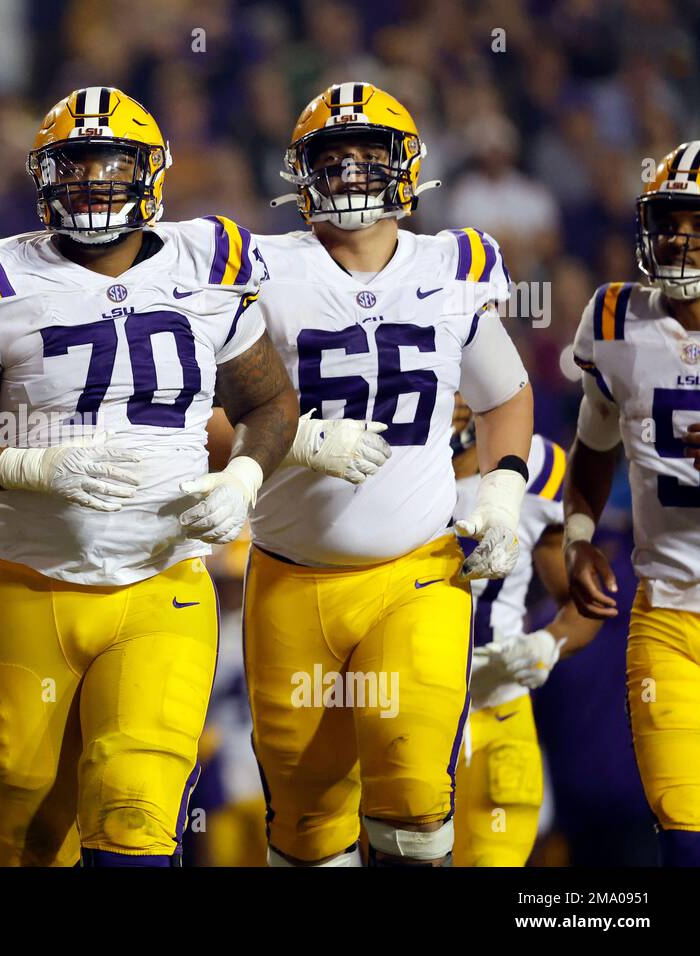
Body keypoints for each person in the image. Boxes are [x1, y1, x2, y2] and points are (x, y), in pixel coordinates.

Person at [0, 86, 300, 866]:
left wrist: (246, 475)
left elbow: (271, 402)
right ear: (46, 178)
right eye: (75, 167)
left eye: (110, 166)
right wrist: (27, 465)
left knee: (135, 809)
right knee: (27, 828)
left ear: (150, 172)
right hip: (29, 582)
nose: (92, 183)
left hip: (164, 583)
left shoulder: (209, 262)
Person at [245, 82, 534, 867]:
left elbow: (505, 397)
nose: (347, 174)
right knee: (307, 828)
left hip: (416, 570)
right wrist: (294, 441)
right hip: (288, 577)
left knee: (412, 803)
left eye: (366, 156)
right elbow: (195, 411)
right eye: (330, 158)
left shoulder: (453, 265)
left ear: (406, 168)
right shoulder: (258, 269)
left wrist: (503, 494)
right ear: (302, 172)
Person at [564, 141, 700, 867]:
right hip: (669, 616)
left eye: (695, 222)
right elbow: (595, 438)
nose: (679, 239)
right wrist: (579, 533)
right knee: (684, 842)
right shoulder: (617, 318)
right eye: (669, 220)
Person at [450, 394, 600, 865]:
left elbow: (585, 603)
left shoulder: (538, 468)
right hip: (396, 707)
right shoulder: (377, 465)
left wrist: (545, 645)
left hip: (497, 707)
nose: (454, 393)